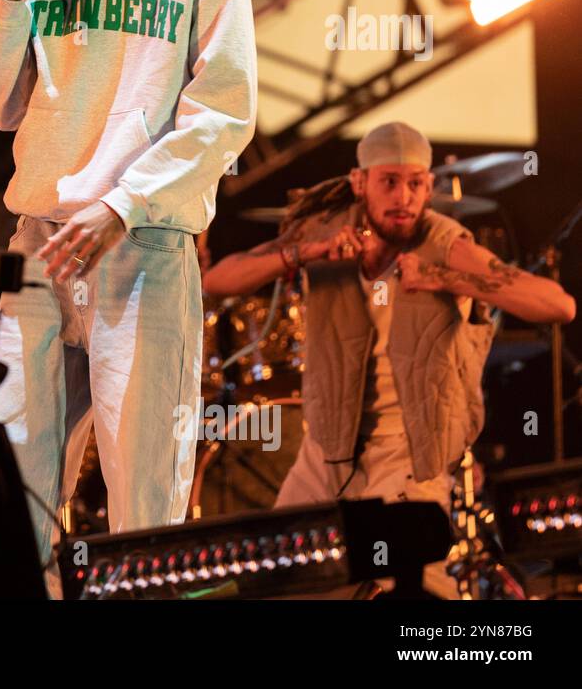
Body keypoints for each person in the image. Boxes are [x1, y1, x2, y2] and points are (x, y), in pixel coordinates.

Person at [0, 0, 259, 597]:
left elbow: (225, 110)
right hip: (37, 245)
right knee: (15, 489)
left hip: (142, 245)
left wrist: (122, 205)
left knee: (144, 503)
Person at [203, 121, 576, 597]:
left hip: (407, 458)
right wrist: (303, 253)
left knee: (414, 591)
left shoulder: (445, 243)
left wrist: (444, 277)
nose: (404, 197)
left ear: (429, 186)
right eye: (390, 182)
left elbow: (558, 305)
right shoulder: (323, 232)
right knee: (277, 580)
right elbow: (217, 281)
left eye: (416, 183)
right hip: (325, 453)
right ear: (360, 182)